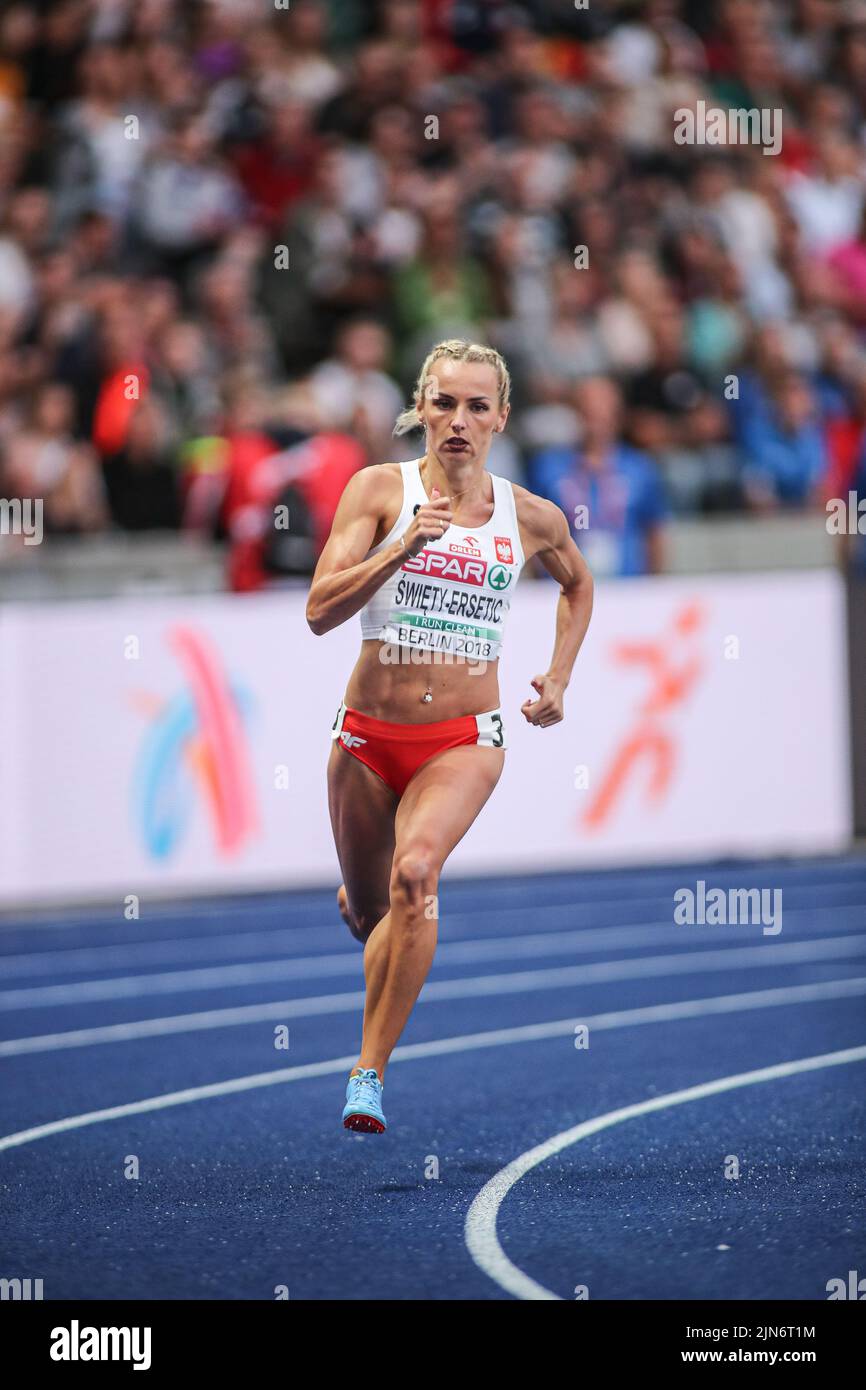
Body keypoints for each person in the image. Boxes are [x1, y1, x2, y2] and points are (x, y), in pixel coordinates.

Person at [305, 339, 594, 1132]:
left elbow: (579, 582)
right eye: (444, 403)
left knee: (419, 875)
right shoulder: (377, 490)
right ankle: (367, 896)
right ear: (420, 410)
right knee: (376, 922)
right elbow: (319, 612)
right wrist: (404, 545)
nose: (458, 421)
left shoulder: (528, 515)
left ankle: (368, 1073)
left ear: (501, 417)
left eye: (476, 406)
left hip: (463, 738)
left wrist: (559, 676)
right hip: (365, 740)